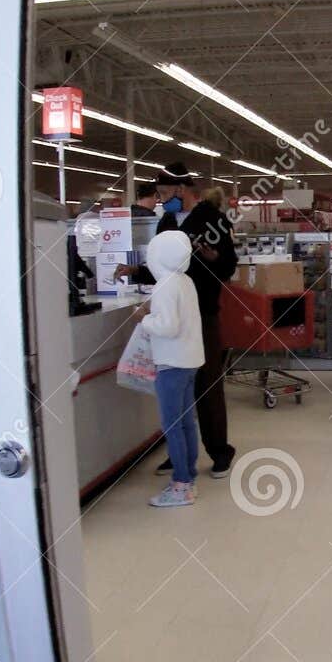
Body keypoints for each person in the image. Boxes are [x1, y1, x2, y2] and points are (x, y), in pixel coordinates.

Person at [117, 163, 239, 478]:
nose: (160, 199)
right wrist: (135, 271)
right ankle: (179, 454)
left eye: (164, 193)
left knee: (207, 383)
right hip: (172, 310)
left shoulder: (213, 218)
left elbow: (229, 266)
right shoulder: (168, 221)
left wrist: (214, 258)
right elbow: (161, 266)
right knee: (178, 388)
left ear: (181, 190)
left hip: (203, 314)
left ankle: (219, 451)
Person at [138, 230, 204, 508]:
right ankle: (189, 476)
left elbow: (167, 326)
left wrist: (144, 319)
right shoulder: (185, 281)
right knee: (187, 422)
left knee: (172, 424)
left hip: (171, 364)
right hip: (190, 361)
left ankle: (180, 485)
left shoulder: (164, 284)